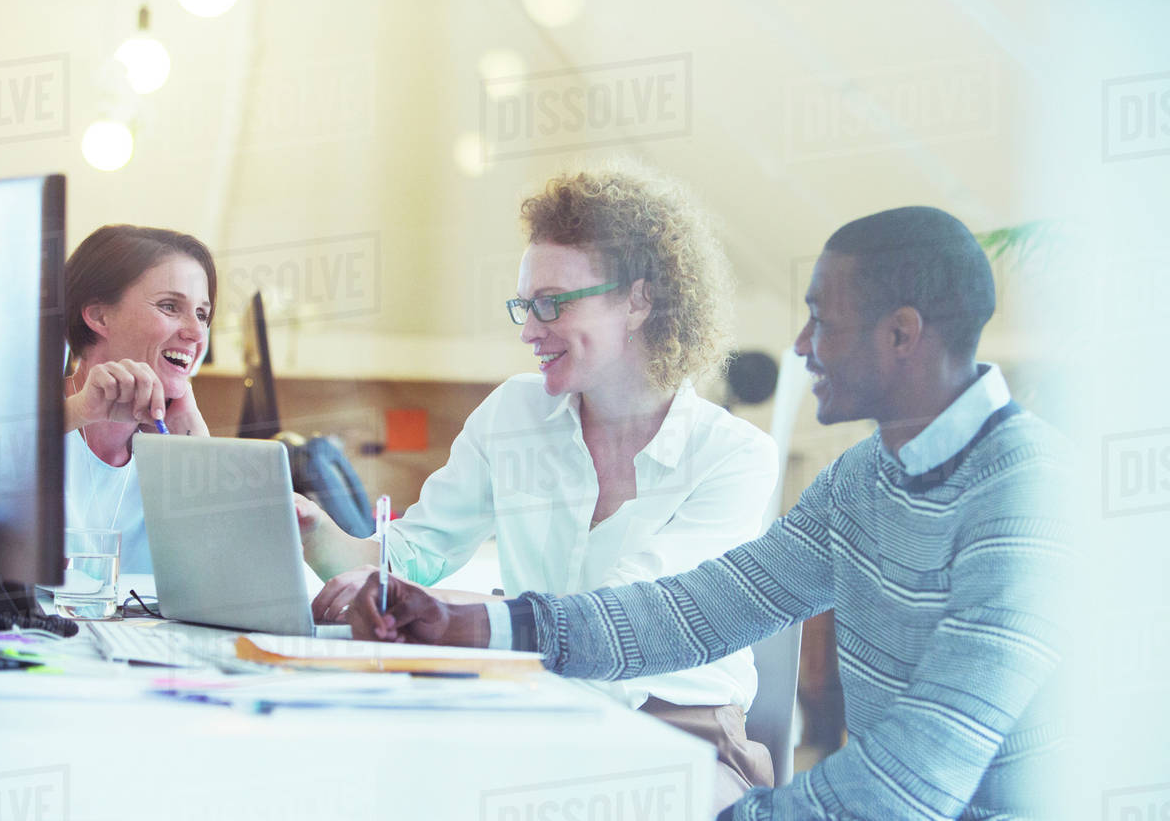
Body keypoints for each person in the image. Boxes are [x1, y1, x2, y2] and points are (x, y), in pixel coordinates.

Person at [346, 206, 1071, 821]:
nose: (800, 346)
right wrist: (482, 625)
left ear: (902, 335)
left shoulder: (1026, 495)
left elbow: (915, 774)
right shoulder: (861, 480)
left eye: (821, 320)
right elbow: (698, 610)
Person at [298, 162, 780, 802]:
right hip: (528, 709)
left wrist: (454, 620)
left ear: (639, 300)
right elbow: (414, 552)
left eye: (551, 304)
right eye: (525, 305)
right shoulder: (513, 415)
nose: (528, 329)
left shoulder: (734, 456)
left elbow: (628, 619)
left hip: (677, 734)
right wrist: (315, 535)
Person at [63, 225, 217, 574]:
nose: (195, 333)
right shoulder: (17, 422)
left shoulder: (176, 443)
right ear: (99, 315)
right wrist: (78, 411)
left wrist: (197, 448)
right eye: (169, 306)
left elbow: (231, 578)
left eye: (202, 314)